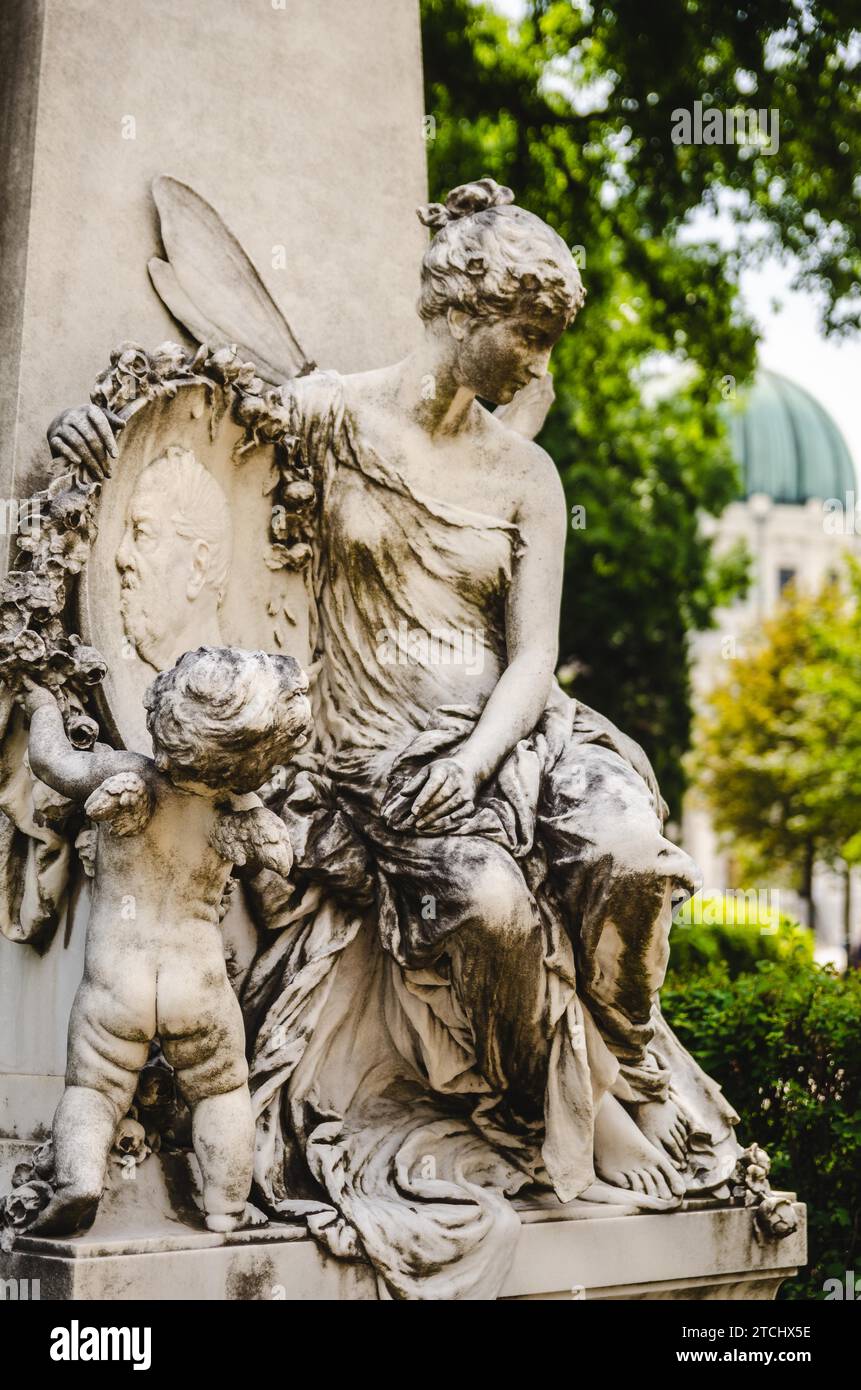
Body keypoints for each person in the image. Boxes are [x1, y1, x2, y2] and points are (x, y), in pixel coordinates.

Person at [49, 179, 739, 1298]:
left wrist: (480, 761)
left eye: (548, 339)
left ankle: (628, 1065)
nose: (536, 363)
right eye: (527, 333)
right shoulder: (331, 414)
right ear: (462, 310)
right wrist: (87, 454)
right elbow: (196, 418)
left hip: (519, 738)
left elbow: (533, 662)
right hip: (387, 754)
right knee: (490, 907)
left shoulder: (531, 477)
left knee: (627, 856)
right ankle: (544, 1107)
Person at [18, 647, 310, 1237]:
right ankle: (226, 1208)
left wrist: (42, 703)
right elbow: (281, 868)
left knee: (93, 1090)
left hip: (115, 984)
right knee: (223, 1089)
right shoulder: (243, 813)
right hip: (196, 985)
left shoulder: (121, 776)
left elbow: (50, 763)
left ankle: (78, 1180)